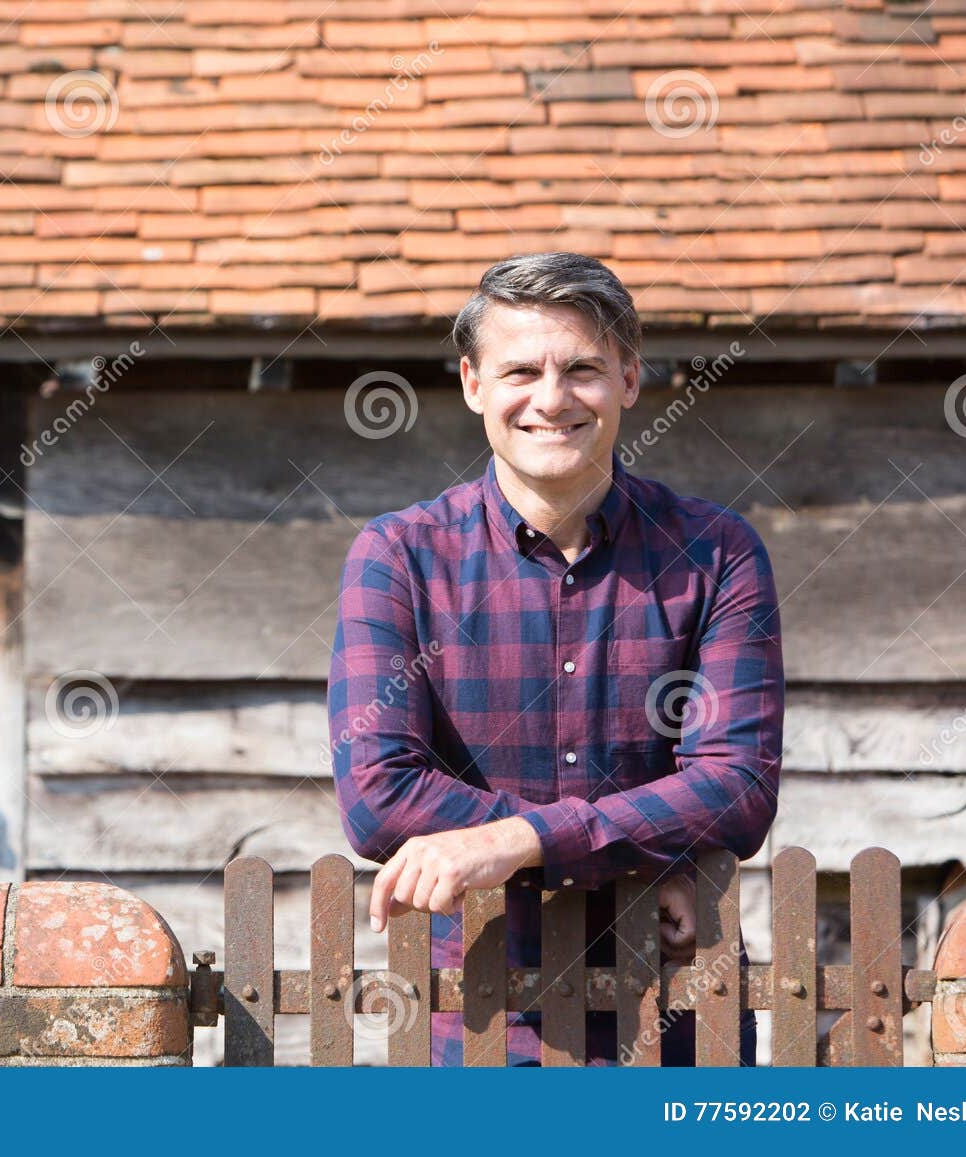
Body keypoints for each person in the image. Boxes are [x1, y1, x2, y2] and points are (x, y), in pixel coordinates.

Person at [327, 252, 783, 1065]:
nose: (551, 398)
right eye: (520, 370)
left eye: (582, 368)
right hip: (479, 1020)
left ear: (631, 380)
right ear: (472, 384)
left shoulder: (717, 552)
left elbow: (737, 786)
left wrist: (515, 842)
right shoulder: (398, 556)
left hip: (676, 1013)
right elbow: (377, 794)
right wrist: (627, 852)